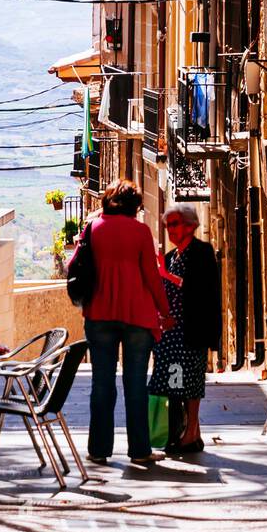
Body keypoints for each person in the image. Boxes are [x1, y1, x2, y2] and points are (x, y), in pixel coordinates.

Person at [78, 178, 174, 467]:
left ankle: (98, 448)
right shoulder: (141, 231)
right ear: (135, 205)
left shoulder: (93, 229)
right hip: (137, 316)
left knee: (102, 383)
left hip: (99, 314)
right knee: (135, 384)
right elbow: (152, 277)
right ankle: (139, 449)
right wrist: (165, 311)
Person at [149, 203, 221, 455]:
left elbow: (200, 290)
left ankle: (190, 432)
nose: (170, 230)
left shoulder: (201, 252)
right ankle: (187, 432)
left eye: (175, 224)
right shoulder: (170, 257)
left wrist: (165, 276)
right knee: (174, 384)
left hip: (191, 330)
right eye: (168, 225)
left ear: (191, 226)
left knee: (190, 383)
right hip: (170, 335)